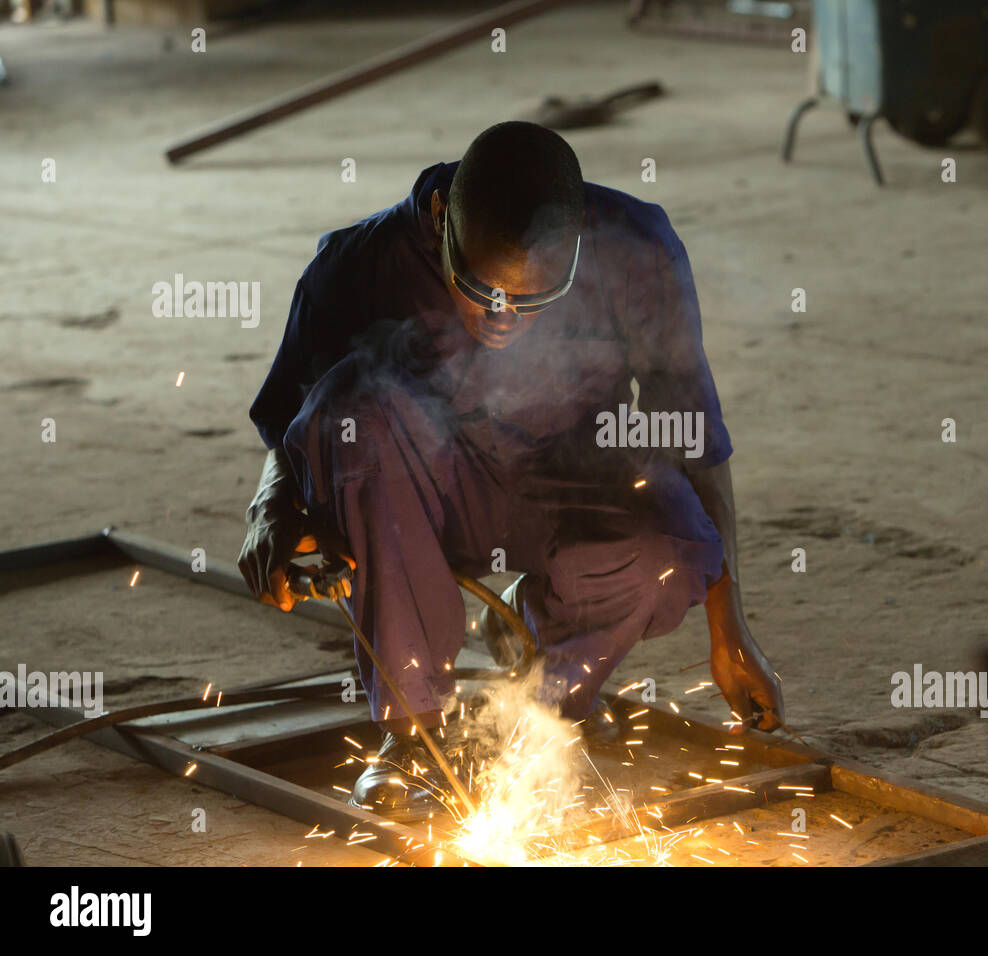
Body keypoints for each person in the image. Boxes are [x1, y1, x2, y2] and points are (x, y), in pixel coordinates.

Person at [237, 122, 782, 819]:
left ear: (579, 246)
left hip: (573, 489)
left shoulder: (638, 249)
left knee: (677, 543)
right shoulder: (354, 265)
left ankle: (538, 712)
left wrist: (731, 630)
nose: (501, 318)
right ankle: (416, 736)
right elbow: (288, 425)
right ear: (440, 222)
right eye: (480, 289)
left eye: (531, 302)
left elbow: (696, 438)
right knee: (352, 411)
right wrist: (273, 510)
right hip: (421, 501)